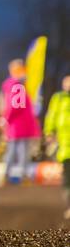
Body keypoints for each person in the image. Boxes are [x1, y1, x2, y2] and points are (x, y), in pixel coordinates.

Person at [0, 59, 41, 184]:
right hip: (19, 124)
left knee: (15, 149)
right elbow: (17, 105)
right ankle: (19, 175)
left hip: (17, 124)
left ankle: (9, 174)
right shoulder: (17, 85)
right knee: (20, 150)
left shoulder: (14, 85)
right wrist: (7, 119)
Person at [43, 75, 70, 218]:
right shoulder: (58, 98)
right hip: (65, 148)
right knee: (67, 179)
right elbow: (51, 116)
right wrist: (49, 132)